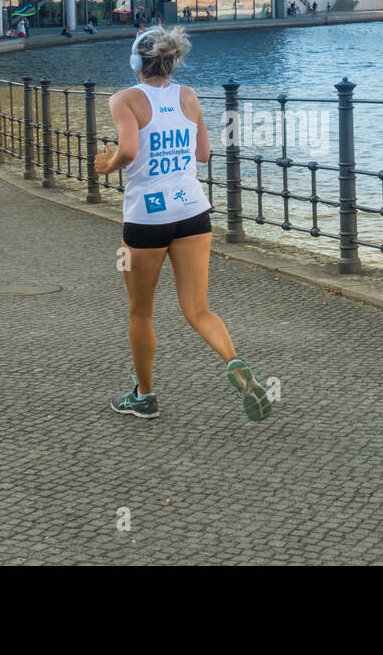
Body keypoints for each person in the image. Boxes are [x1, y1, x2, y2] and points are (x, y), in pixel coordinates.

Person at [93, 26, 272, 423]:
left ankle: (144, 396)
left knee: (141, 312)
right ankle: (235, 362)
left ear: (136, 62)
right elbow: (204, 153)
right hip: (192, 212)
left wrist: (107, 165)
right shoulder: (188, 96)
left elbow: (129, 150)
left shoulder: (124, 99)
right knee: (198, 309)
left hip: (147, 218)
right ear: (171, 61)